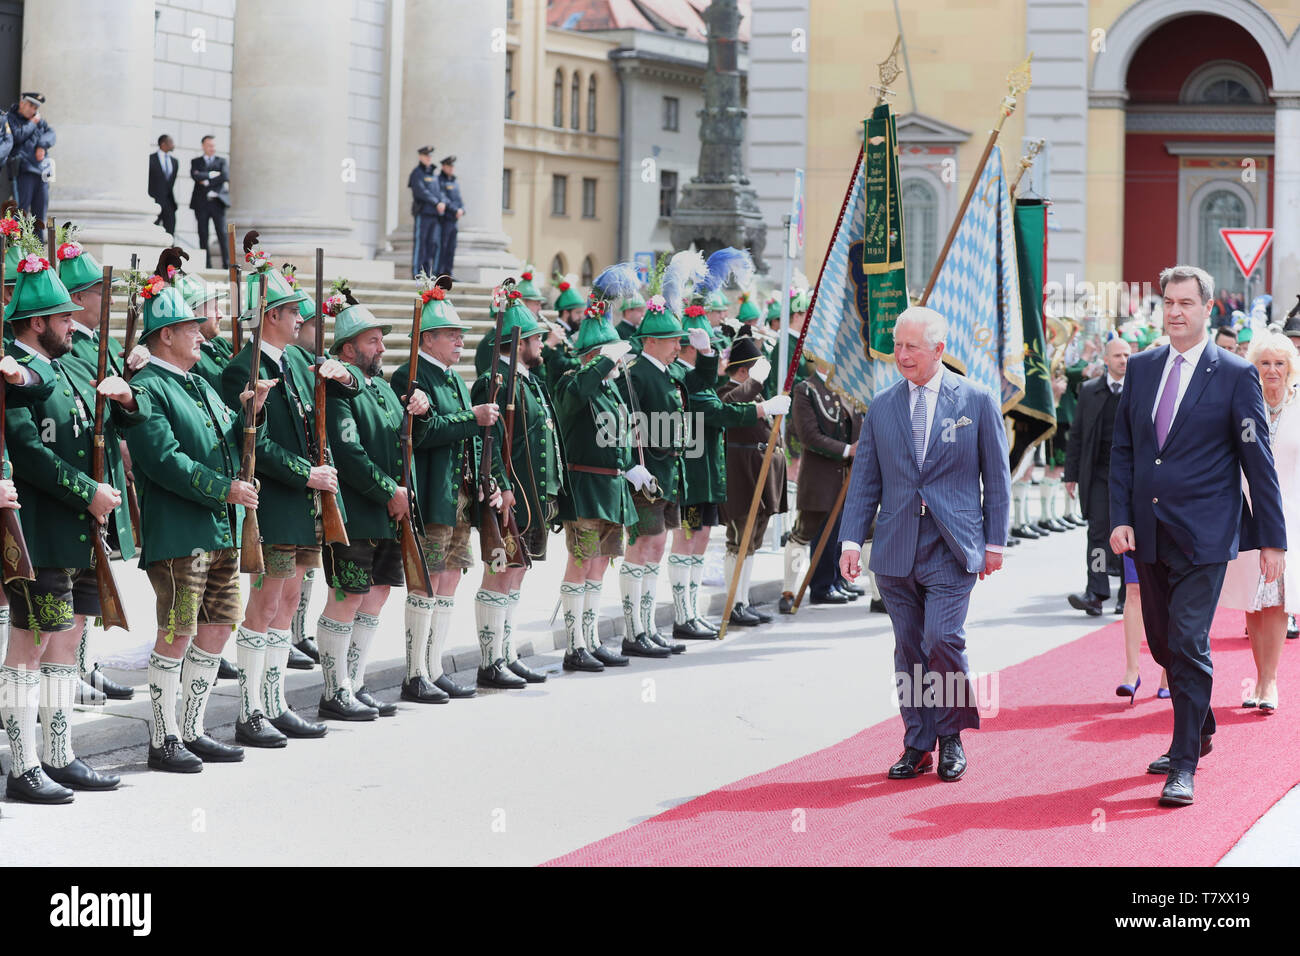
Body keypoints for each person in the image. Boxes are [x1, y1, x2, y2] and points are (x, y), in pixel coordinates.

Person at [1110, 264, 1286, 808]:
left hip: (1207, 535)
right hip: (1147, 531)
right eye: (1168, 303)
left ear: (1206, 310)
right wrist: (1119, 516)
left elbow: (1258, 462)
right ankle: (1201, 722)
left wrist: (1273, 540)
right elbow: (1125, 450)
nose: (1174, 312)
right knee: (1162, 642)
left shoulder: (1233, 375)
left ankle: (1183, 760)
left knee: (1187, 639)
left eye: (1185, 303)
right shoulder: (1140, 369)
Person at [838, 306, 1011, 783]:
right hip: (895, 548)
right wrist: (852, 539)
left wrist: (995, 542)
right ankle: (918, 743)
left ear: (939, 350)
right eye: (897, 345)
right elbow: (865, 482)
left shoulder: (976, 401)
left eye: (912, 346)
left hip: (952, 545)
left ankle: (951, 736)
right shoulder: (882, 405)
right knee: (908, 647)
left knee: (942, 638)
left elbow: (996, 479)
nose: (901, 354)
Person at [0, 236, 141, 803]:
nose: (72, 322)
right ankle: (23, 765)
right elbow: (30, 453)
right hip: (41, 529)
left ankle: (59, 755)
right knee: (28, 647)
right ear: (37, 323)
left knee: (63, 643)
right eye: (63, 316)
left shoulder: (62, 367)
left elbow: (98, 429)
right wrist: (88, 492)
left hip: (78, 529)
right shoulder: (16, 373)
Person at [124, 250, 272, 771]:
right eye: (191, 327)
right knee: (178, 630)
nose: (202, 336)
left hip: (216, 529)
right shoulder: (148, 389)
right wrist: (223, 489)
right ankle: (164, 739)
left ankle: (190, 729)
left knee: (217, 626)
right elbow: (164, 461)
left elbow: (229, 440)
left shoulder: (198, 382)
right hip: (180, 534)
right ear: (165, 334)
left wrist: (251, 411)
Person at [220, 232, 354, 747]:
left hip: (303, 504)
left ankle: (273, 703)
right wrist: (308, 475)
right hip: (274, 502)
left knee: (291, 597)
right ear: (271, 314)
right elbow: (256, 444)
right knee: (266, 602)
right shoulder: (244, 366)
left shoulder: (297, 361)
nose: (302, 317)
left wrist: (343, 376)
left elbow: (330, 403)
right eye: (294, 310)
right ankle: (250, 710)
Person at [317, 282, 432, 720]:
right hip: (359, 511)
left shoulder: (383, 388)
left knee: (378, 594)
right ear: (348, 350)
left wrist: (420, 413)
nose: (382, 346)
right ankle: (334, 689)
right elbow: (348, 454)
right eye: (372, 340)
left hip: (392, 512)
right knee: (347, 597)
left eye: (381, 339)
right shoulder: (341, 390)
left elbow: (407, 441)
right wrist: (390, 492)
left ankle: (355, 680)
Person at [390, 279, 498, 703]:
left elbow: (464, 436)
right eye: (451, 335)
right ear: (428, 339)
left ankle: (434, 667)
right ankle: (415, 673)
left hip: (458, 497)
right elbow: (424, 432)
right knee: (428, 581)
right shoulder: (410, 375)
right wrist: (472, 418)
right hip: (433, 496)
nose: (459, 341)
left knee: (450, 578)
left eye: (460, 335)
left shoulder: (449, 378)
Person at [551, 271, 644, 671]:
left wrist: (631, 470)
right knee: (581, 562)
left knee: (599, 566)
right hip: (586, 487)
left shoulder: (608, 388)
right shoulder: (575, 383)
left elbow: (619, 436)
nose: (618, 362)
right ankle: (574, 645)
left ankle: (590, 638)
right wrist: (603, 357)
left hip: (612, 489)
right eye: (610, 355)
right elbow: (576, 396)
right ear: (594, 354)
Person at [669, 303, 781, 636]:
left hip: (704, 482)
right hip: (689, 482)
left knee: (699, 541)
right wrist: (760, 404)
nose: (714, 358)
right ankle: (683, 616)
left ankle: (692, 614)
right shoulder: (693, 385)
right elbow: (723, 411)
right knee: (688, 541)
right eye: (706, 351)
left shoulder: (697, 384)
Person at [471, 288, 563, 686]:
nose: (542, 344)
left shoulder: (529, 381)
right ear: (518, 343)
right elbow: (488, 441)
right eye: (536, 338)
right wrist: (502, 486)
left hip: (531, 497)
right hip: (511, 495)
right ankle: (491, 662)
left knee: (518, 572)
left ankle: (506, 654)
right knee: (500, 572)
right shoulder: (495, 382)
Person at [1217, 328, 1300, 713]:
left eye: (1279, 363)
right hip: (1246, 512)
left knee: (1278, 602)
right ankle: (1259, 675)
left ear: (1290, 368)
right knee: (1254, 599)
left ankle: (1269, 682)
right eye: (1265, 363)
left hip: (1290, 515)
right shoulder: (1240, 404)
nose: (1272, 370)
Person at [718, 333, 785, 625]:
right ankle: (734, 603)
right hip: (741, 474)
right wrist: (755, 383)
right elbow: (731, 407)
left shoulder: (753, 394)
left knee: (753, 541)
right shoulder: (726, 392)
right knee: (739, 540)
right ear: (744, 371)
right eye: (755, 369)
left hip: (760, 471)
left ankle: (743, 599)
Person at [784, 364, 863, 610]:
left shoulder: (844, 387)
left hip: (844, 476)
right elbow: (808, 435)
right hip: (819, 476)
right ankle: (813, 587)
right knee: (810, 533)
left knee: (839, 533)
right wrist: (848, 450)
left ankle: (835, 580)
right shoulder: (806, 390)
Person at [1064, 336, 1131, 616]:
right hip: (1099, 475)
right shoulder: (1089, 391)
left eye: (1127, 355)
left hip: (1131, 477)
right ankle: (1096, 592)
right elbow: (1077, 435)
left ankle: (1128, 596)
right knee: (1098, 534)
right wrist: (1071, 474)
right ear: (1106, 359)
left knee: (1131, 537)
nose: (1123, 361)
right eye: (1117, 356)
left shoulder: (1140, 390)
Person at [6, 93, 54, 221]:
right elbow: (17, 136)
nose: (33, 110)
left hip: (41, 172)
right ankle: (16, 241)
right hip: (23, 172)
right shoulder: (10, 118)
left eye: (35, 108)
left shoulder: (40, 122)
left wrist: (42, 146)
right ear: (22, 103)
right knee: (20, 214)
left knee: (39, 218)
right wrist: (32, 123)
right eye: (30, 105)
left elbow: (51, 133)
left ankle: (38, 241)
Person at [190, 136, 230, 269]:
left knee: (222, 234)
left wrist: (206, 179)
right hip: (201, 204)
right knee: (203, 234)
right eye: (209, 145)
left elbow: (225, 176)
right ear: (203, 146)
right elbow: (195, 175)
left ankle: (227, 264)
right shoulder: (196, 161)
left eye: (213, 145)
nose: (212, 148)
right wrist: (212, 175)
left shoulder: (221, 161)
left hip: (218, 203)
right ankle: (206, 264)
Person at [408, 145, 444, 280]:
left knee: (432, 244)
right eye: (426, 155)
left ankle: (428, 273)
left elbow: (439, 192)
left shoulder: (434, 175)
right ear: (420, 157)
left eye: (430, 156)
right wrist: (436, 202)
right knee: (421, 244)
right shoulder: (417, 173)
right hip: (423, 214)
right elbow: (421, 192)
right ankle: (418, 272)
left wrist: (442, 202)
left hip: (435, 216)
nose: (429, 158)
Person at [434, 155, 463, 279]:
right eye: (449, 166)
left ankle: (448, 274)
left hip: (454, 220)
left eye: (453, 166)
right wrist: (455, 209)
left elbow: (459, 200)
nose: (451, 168)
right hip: (444, 220)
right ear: (444, 166)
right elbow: (443, 197)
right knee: (442, 247)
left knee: (451, 248)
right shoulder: (439, 180)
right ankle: (439, 273)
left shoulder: (454, 182)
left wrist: (462, 209)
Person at [149, 135, 179, 237]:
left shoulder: (175, 162)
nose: (173, 145)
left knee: (170, 231)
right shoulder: (150, 160)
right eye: (171, 142)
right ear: (163, 144)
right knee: (152, 231)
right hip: (154, 202)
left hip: (169, 203)